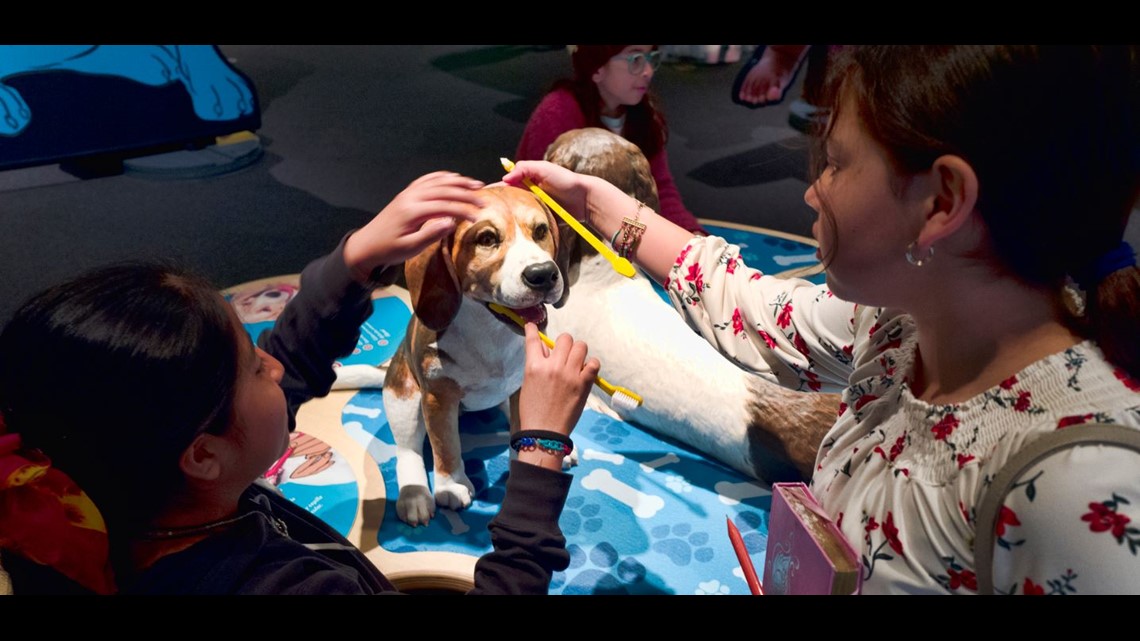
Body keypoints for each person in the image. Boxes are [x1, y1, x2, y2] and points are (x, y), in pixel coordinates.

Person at [504, 45, 1140, 594]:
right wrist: (599, 202)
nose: (813, 190)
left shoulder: (1075, 494)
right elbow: (754, 306)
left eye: (834, 162)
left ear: (942, 201)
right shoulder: (907, 321)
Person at [0, 171, 601, 595]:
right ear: (204, 454)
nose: (278, 368)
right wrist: (540, 452)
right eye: (256, 368)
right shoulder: (275, 587)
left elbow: (286, 364)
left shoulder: (146, 490)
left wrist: (355, 261)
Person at [516, 44, 707, 235]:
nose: (648, 71)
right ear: (597, 68)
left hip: (622, 236)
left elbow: (660, 190)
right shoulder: (558, 111)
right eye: (636, 60)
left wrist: (692, 234)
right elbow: (541, 204)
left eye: (651, 58)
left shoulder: (643, 113)